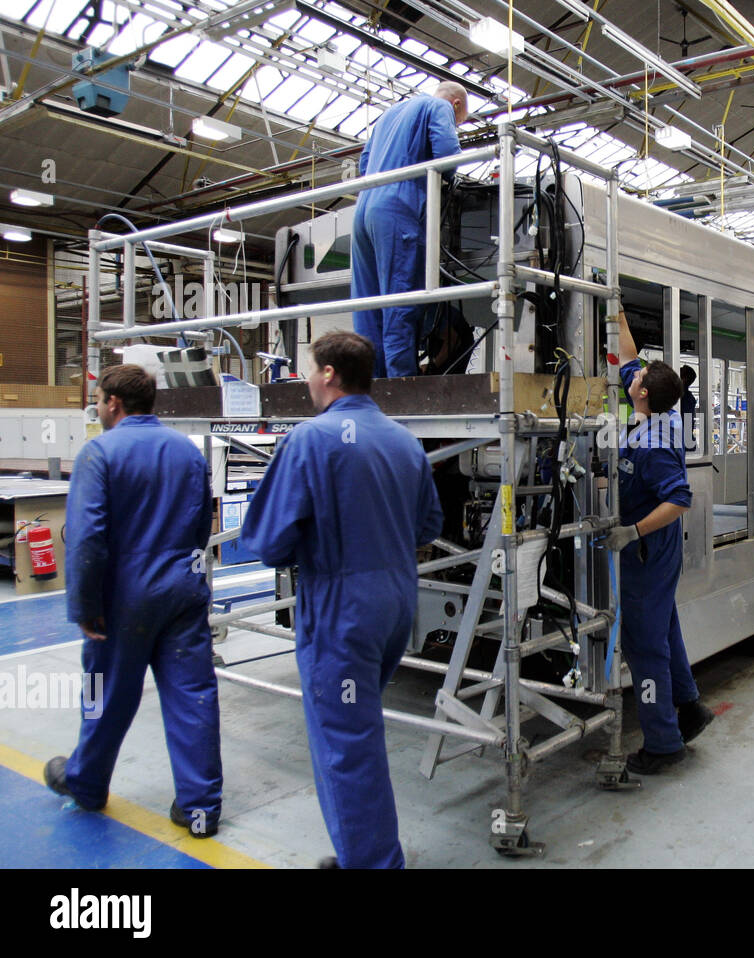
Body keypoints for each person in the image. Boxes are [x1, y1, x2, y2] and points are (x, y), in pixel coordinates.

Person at [241, 331, 443, 867]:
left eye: (310, 369)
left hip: (341, 610)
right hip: (396, 604)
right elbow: (428, 524)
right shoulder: (404, 440)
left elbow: (266, 542)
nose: (308, 379)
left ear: (329, 373)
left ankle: (374, 861)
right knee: (355, 724)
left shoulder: (311, 439)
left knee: (344, 742)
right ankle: (361, 849)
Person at [45, 365, 223, 837]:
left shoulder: (99, 453)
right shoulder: (186, 451)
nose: (97, 407)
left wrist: (83, 606)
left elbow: (86, 541)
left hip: (124, 597)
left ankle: (85, 784)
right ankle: (200, 808)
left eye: (98, 400)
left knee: (107, 693)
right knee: (193, 694)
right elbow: (203, 524)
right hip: (183, 590)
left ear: (114, 404)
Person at [600, 310, 712, 774]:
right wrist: (617, 308)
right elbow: (628, 354)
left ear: (642, 393)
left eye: (639, 375)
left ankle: (663, 744)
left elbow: (679, 499)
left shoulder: (656, 441)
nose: (634, 372)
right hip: (653, 547)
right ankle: (689, 708)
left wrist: (631, 531)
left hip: (649, 548)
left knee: (645, 647)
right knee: (664, 627)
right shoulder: (655, 403)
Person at [352, 81, 469, 379]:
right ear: (456, 105)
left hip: (364, 210)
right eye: (459, 123)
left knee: (369, 306)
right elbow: (447, 154)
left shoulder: (388, 115)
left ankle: (372, 384)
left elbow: (364, 164)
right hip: (397, 208)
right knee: (399, 303)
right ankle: (401, 388)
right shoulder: (439, 106)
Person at [679, 365, 698, 451]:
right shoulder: (684, 397)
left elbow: (687, 422)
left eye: (681, 370)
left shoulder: (686, 398)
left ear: (684, 379)